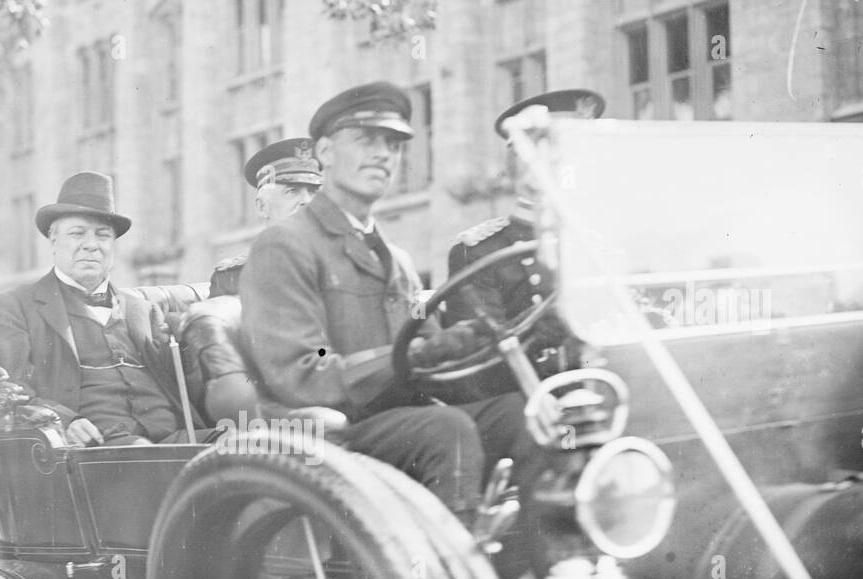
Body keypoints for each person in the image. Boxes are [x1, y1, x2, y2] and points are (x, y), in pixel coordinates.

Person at [239, 81, 540, 535]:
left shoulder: (394, 259)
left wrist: (471, 342)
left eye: (393, 143)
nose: (383, 154)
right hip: (332, 430)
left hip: (402, 420)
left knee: (522, 414)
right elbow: (304, 370)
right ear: (325, 151)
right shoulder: (286, 245)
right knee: (449, 430)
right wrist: (409, 358)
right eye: (365, 140)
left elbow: (431, 347)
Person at [0, 171, 218, 446]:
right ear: (53, 241)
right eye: (77, 234)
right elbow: (5, 392)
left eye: (102, 235)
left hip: (173, 439)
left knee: (248, 442)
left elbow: (185, 385)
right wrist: (62, 421)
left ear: (113, 245)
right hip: (94, 450)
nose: (91, 245)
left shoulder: (142, 311)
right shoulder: (16, 307)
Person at [410, 89, 606, 379]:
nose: (566, 162)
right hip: (532, 400)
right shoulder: (480, 250)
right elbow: (478, 358)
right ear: (519, 161)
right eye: (551, 148)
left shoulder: (604, 245)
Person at [209, 137, 322, 297]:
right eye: (292, 190)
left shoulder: (346, 267)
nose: (307, 201)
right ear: (263, 207)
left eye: (313, 191)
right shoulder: (232, 278)